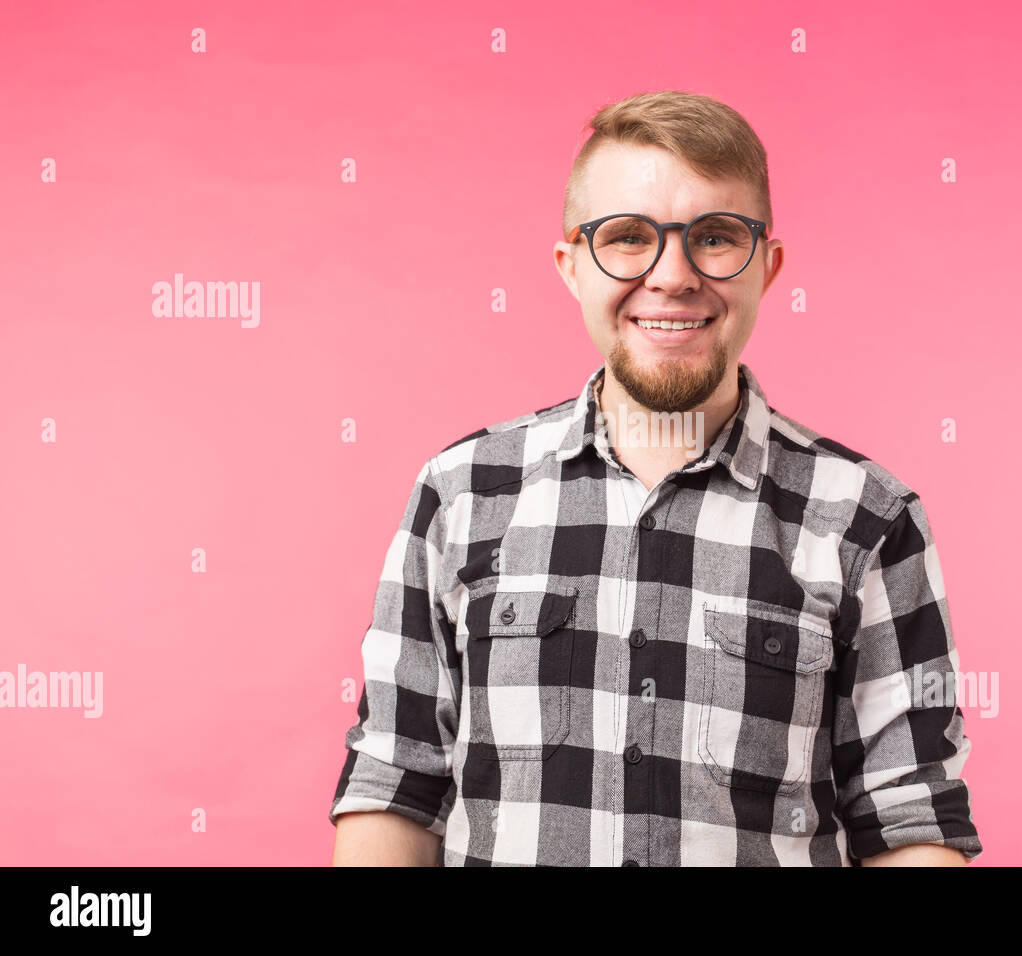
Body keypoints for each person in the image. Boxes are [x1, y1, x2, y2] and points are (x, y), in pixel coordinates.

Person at [329, 90, 983, 866]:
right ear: (571, 268)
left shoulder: (869, 519)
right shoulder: (462, 492)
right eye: (629, 237)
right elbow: (395, 786)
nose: (672, 277)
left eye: (714, 237)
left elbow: (912, 824)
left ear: (767, 270)